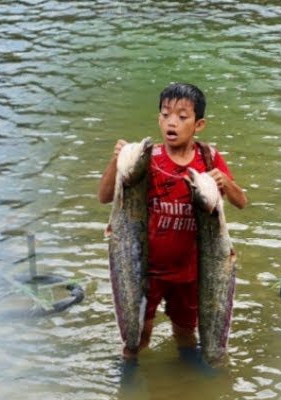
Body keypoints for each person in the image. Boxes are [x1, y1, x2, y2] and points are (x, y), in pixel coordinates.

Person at [96, 82, 248, 382]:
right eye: (165, 115)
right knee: (139, 333)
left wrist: (225, 182)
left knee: (186, 332)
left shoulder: (209, 158)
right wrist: (117, 160)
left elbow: (241, 202)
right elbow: (104, 197)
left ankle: (192, 376)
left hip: (192, 271)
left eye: (182, 116)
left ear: (199, 124)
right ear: (158, 119)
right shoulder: (146, 159)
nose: (172, 122)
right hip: (146, 270)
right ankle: (128, 376)